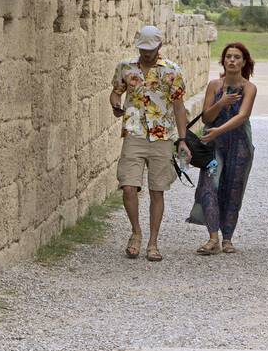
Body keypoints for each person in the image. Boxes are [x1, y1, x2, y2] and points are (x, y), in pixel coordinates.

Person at [110, 25, 191, 262]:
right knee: (128, 186)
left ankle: (153, 243)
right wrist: (115, 105)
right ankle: (136, 232)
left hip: (162, 135)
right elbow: (116, 92)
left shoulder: (172, 71)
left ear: (159, 46)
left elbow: (178, 107)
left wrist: (183, 140)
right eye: (142, 49)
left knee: (157, 190)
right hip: (134, 132)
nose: (146, 53)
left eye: (151, 49)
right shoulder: (126, 67)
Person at [193, 42, 257, 255]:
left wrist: (218, 130)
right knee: (209, 185)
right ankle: (213, 238)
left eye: (237, 57)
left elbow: (243, 116)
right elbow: (206, 117)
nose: (232, 60)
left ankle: (227, 238)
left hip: (239, 144)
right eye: (228, 56)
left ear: (244, 62)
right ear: (223, 60)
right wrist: (221, 103)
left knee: (233, 189)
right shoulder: (214, 86)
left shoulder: (249, 88)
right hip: (214, 145)